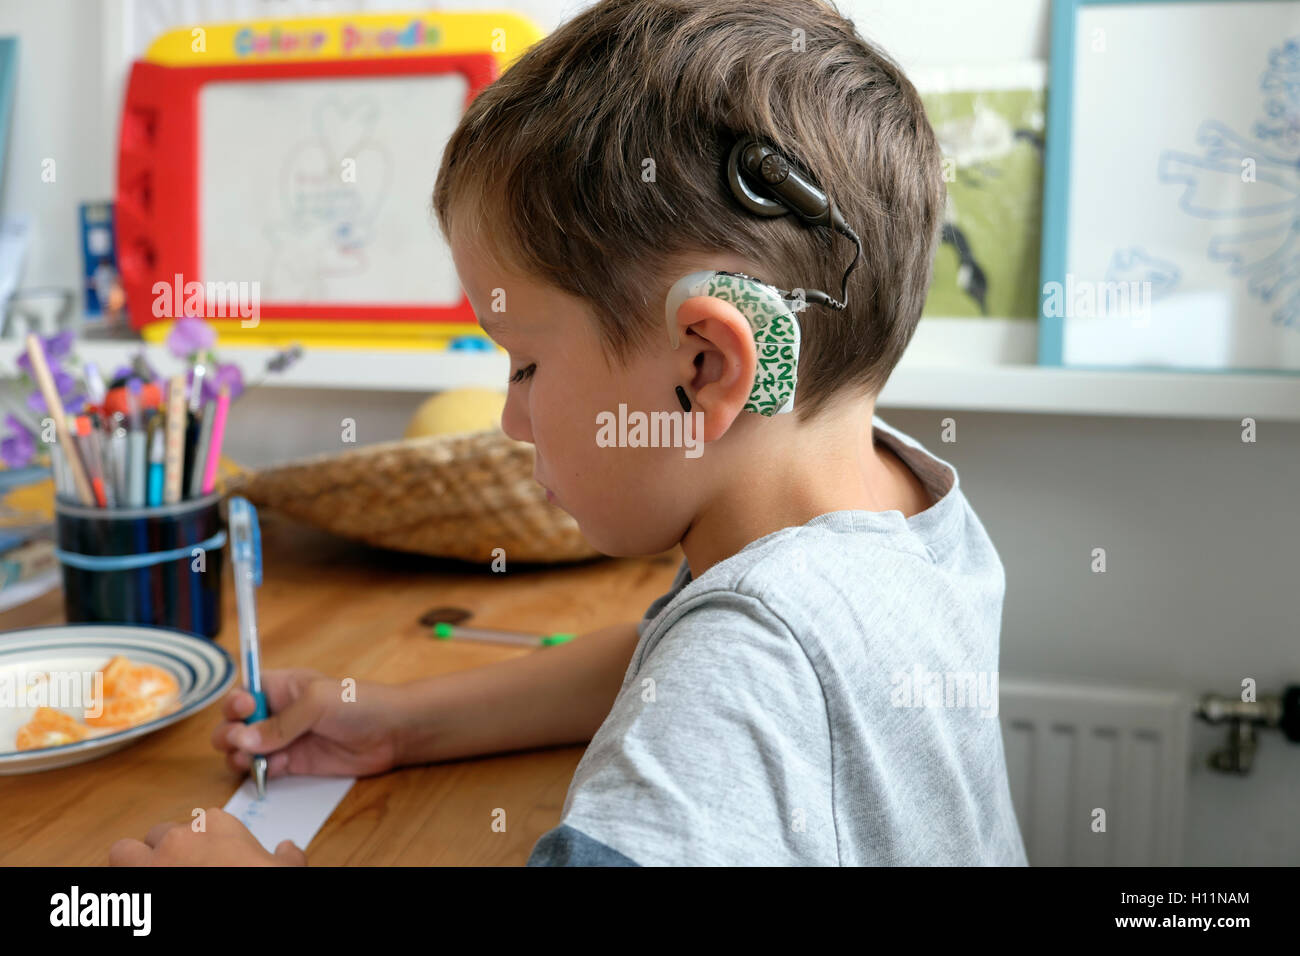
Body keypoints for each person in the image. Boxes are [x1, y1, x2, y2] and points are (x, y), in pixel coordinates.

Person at [110, 0, 1027, 866]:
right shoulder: (897, 508)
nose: (510, 420)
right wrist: (403, 721)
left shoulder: (745, 664)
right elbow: (668, 657)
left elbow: (720, 674)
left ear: (703, 365)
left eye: (525, 364)